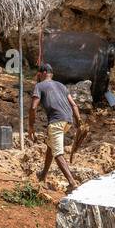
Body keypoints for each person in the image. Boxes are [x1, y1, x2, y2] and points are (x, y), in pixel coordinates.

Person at [27, 63, 81, 192]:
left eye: (38, 74)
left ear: (44, 73)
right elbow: (74, 105)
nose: (37, 77)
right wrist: (79, 121)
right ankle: (43, 176)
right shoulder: (61, 86)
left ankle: (72, 183)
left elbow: (33, 107)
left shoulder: (39, 86)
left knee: (57, 153)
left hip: (56, 121)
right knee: (50, 147)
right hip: (67, 121)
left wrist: (30, 126)